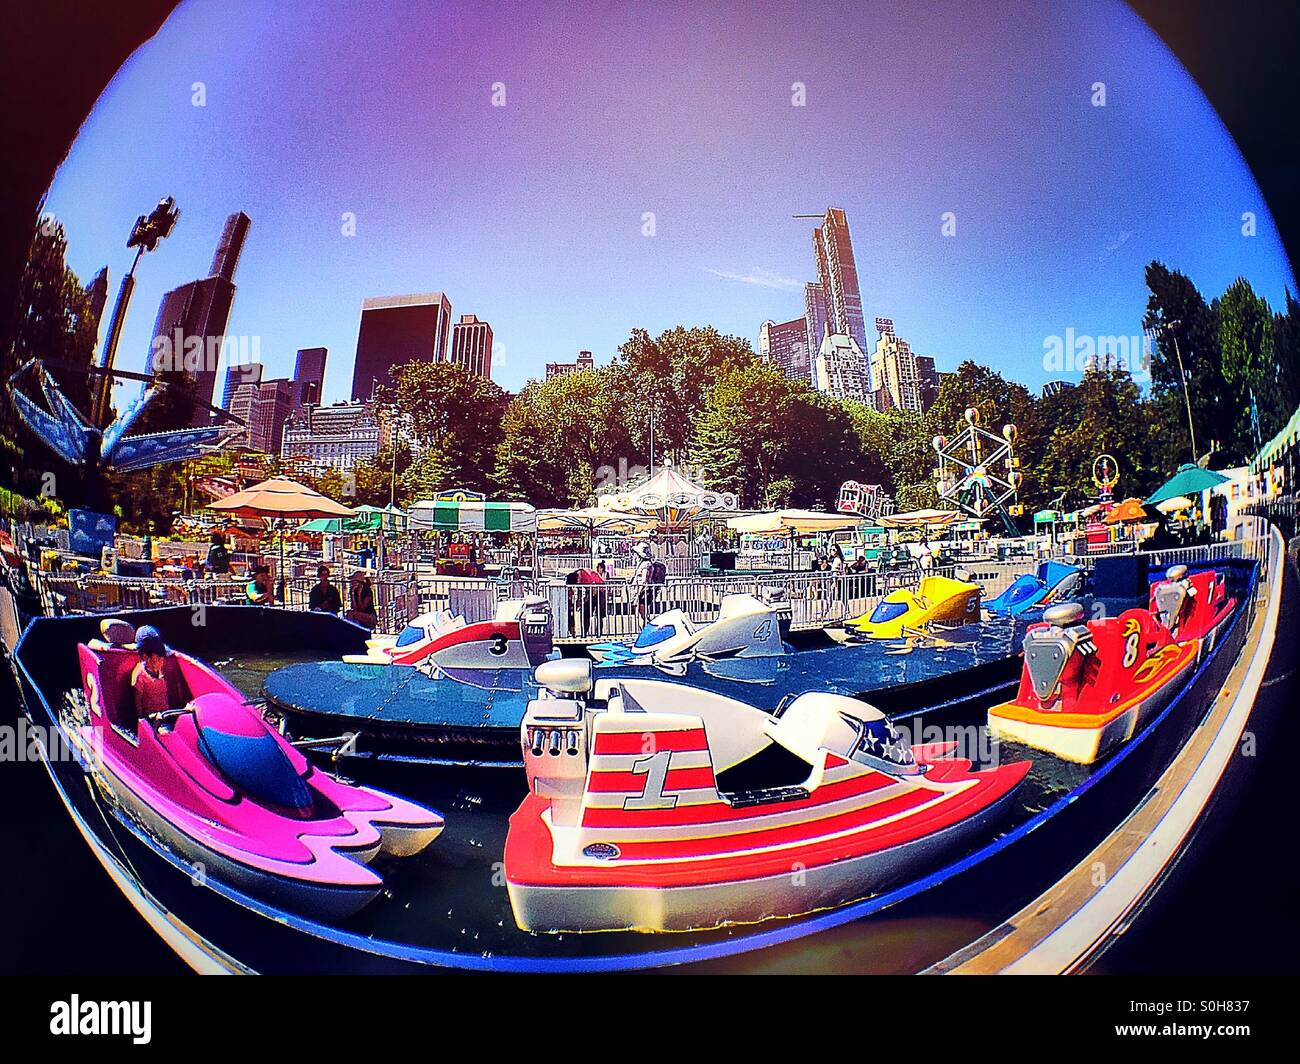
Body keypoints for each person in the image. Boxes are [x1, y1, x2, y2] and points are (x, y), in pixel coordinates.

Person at [131, 626, 185, 722]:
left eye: (162, 659)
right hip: (153, 717)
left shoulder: (159, 669)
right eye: (158, 659)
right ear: (145, 657)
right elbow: (138, 702)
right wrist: (141, 719)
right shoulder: (140, 675)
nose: (162, 662)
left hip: (166, 712)